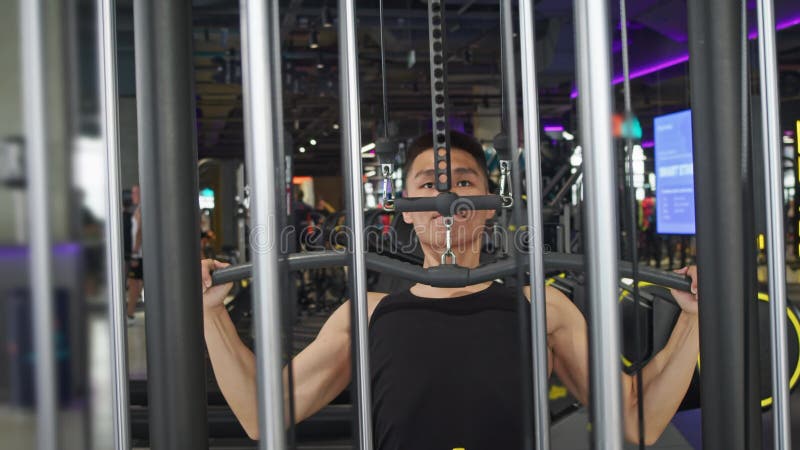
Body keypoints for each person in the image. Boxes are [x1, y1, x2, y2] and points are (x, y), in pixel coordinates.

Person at [201, 131, 700, 447]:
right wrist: (210, 314)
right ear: (404, 209)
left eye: (463, 183)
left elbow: (636, 421)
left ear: (488, 205)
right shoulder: (368, 314)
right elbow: (261, 415)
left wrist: (694, 320)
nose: (445, 197)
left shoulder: (542, 308)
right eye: (428, 184)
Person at [127, 184, 144, 325]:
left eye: (135, 193)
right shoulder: (138, 209)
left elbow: (139, 232)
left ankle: (129, 314)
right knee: (135, 285)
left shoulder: (141, 210)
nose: (132, 195)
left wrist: (134, 252)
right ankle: (130, 314)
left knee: (133, 284)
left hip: (139, 255)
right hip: (139, 254)